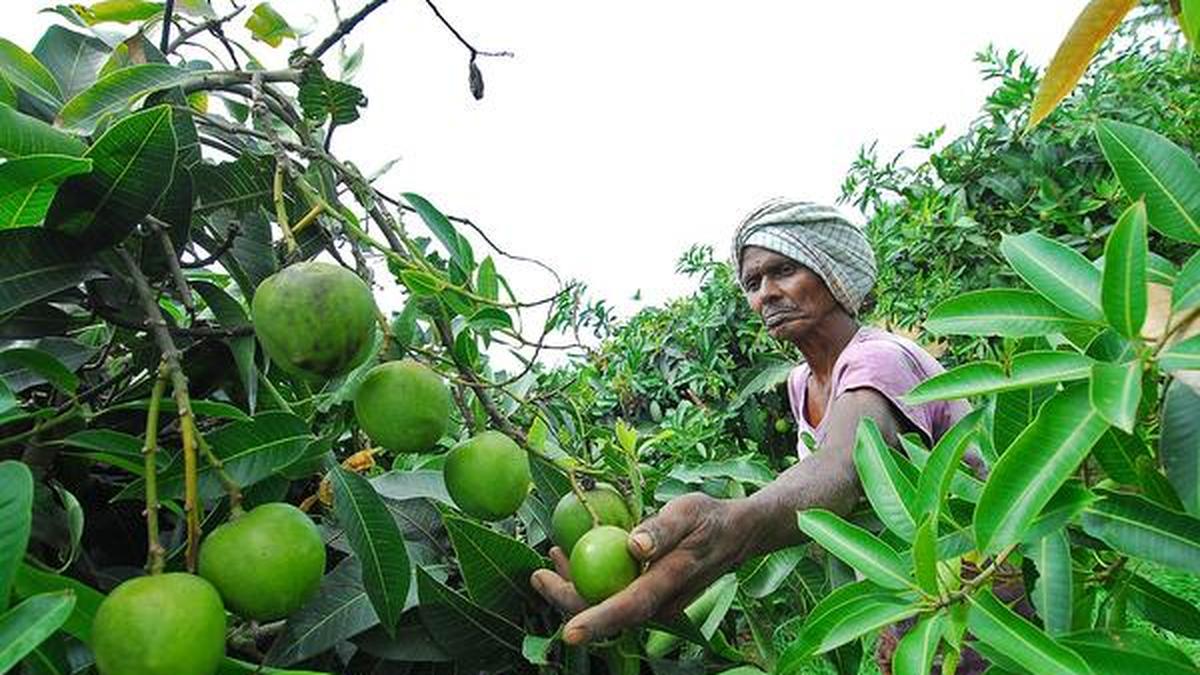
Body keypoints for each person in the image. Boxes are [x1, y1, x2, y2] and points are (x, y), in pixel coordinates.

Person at [530, 199, 972, 667]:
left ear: (831, 272)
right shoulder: (802, 382)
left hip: (981, 583)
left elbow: (844, 466)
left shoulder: (878, 358)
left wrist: (732, 527)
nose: (765, 294)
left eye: (782, 270)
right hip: (916, 601)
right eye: (753, 283)